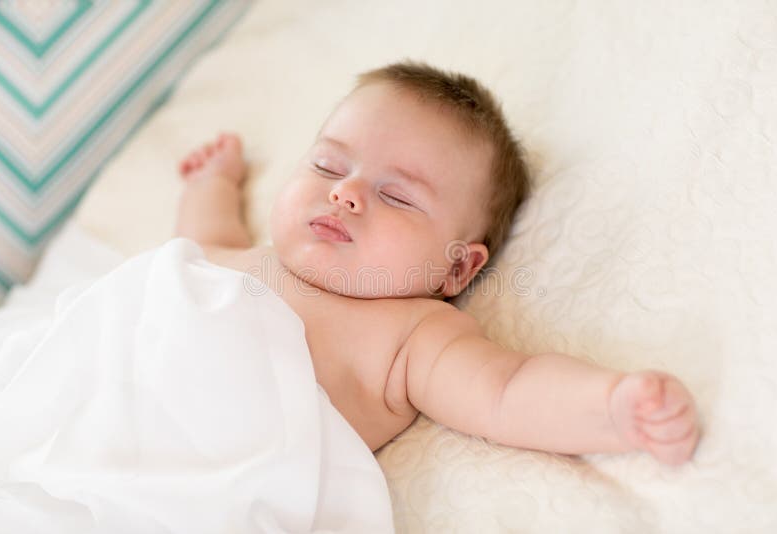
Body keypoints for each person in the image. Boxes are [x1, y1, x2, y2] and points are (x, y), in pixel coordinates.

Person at [175, 61, 700, 465]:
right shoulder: (249, 261)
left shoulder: (411, 336)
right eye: (327, 165)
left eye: (397, 197)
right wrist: (213, 184)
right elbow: (203, 240)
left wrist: (610, 408)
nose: (345, 192)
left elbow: (507, 392)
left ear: (456, 269)